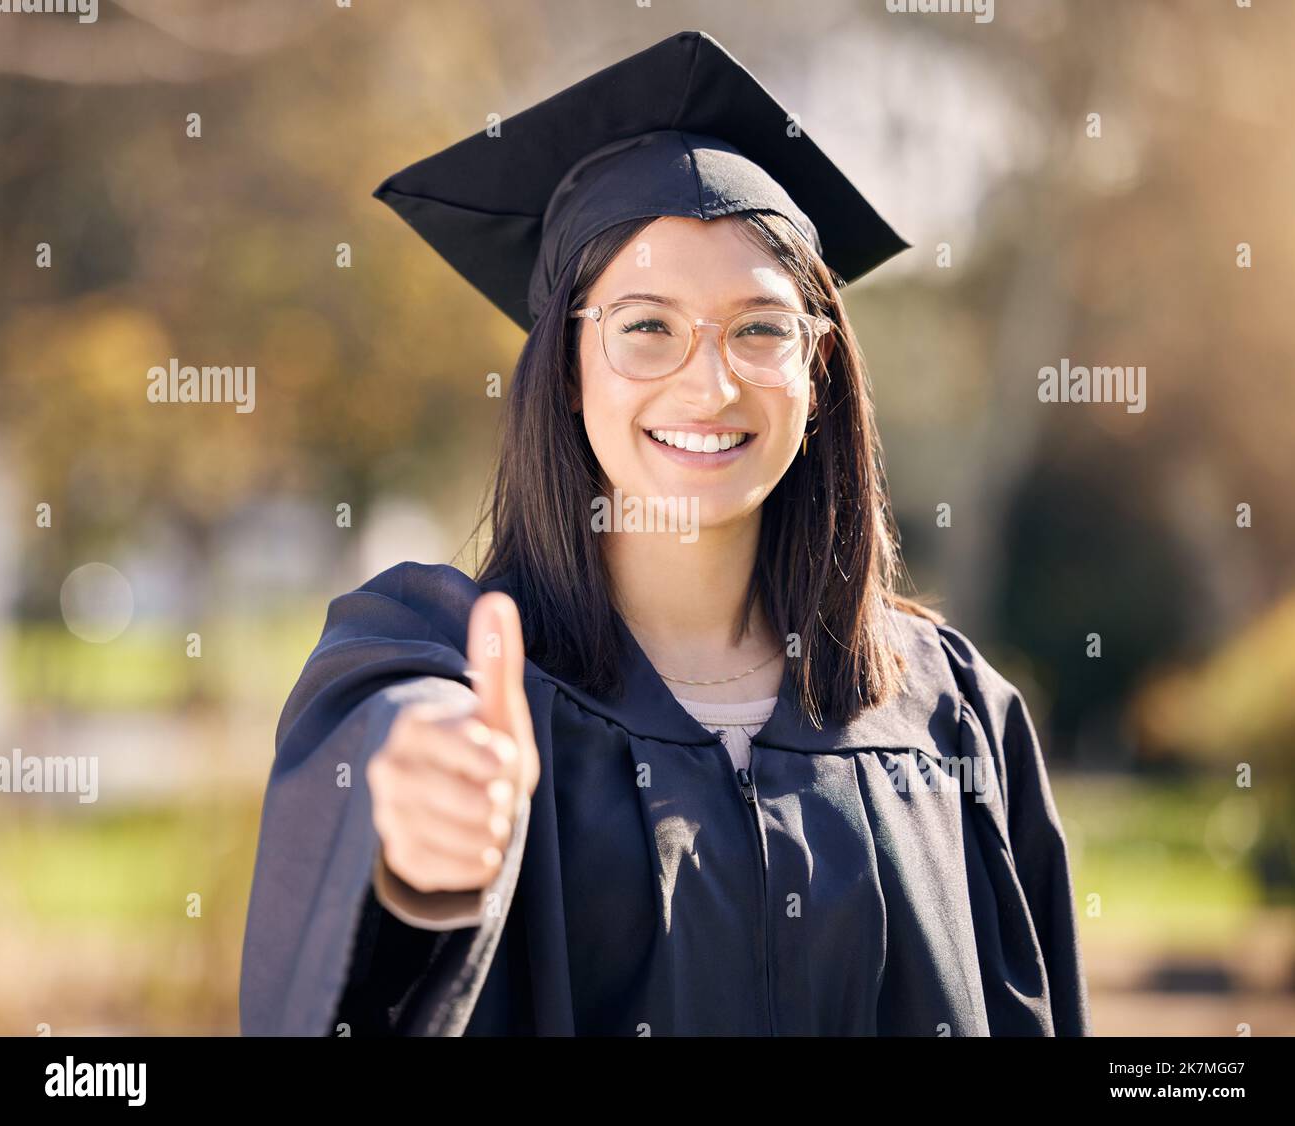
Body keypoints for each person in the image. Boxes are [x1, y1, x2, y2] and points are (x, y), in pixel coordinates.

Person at [238, 29, 1092, 1037]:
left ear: (817, 373)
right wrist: (418, 872)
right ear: (566, 366)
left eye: (759, 327)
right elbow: (385, 783)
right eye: (646, 326)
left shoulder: (948, 711)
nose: (709, 380)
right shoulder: (445, 659)